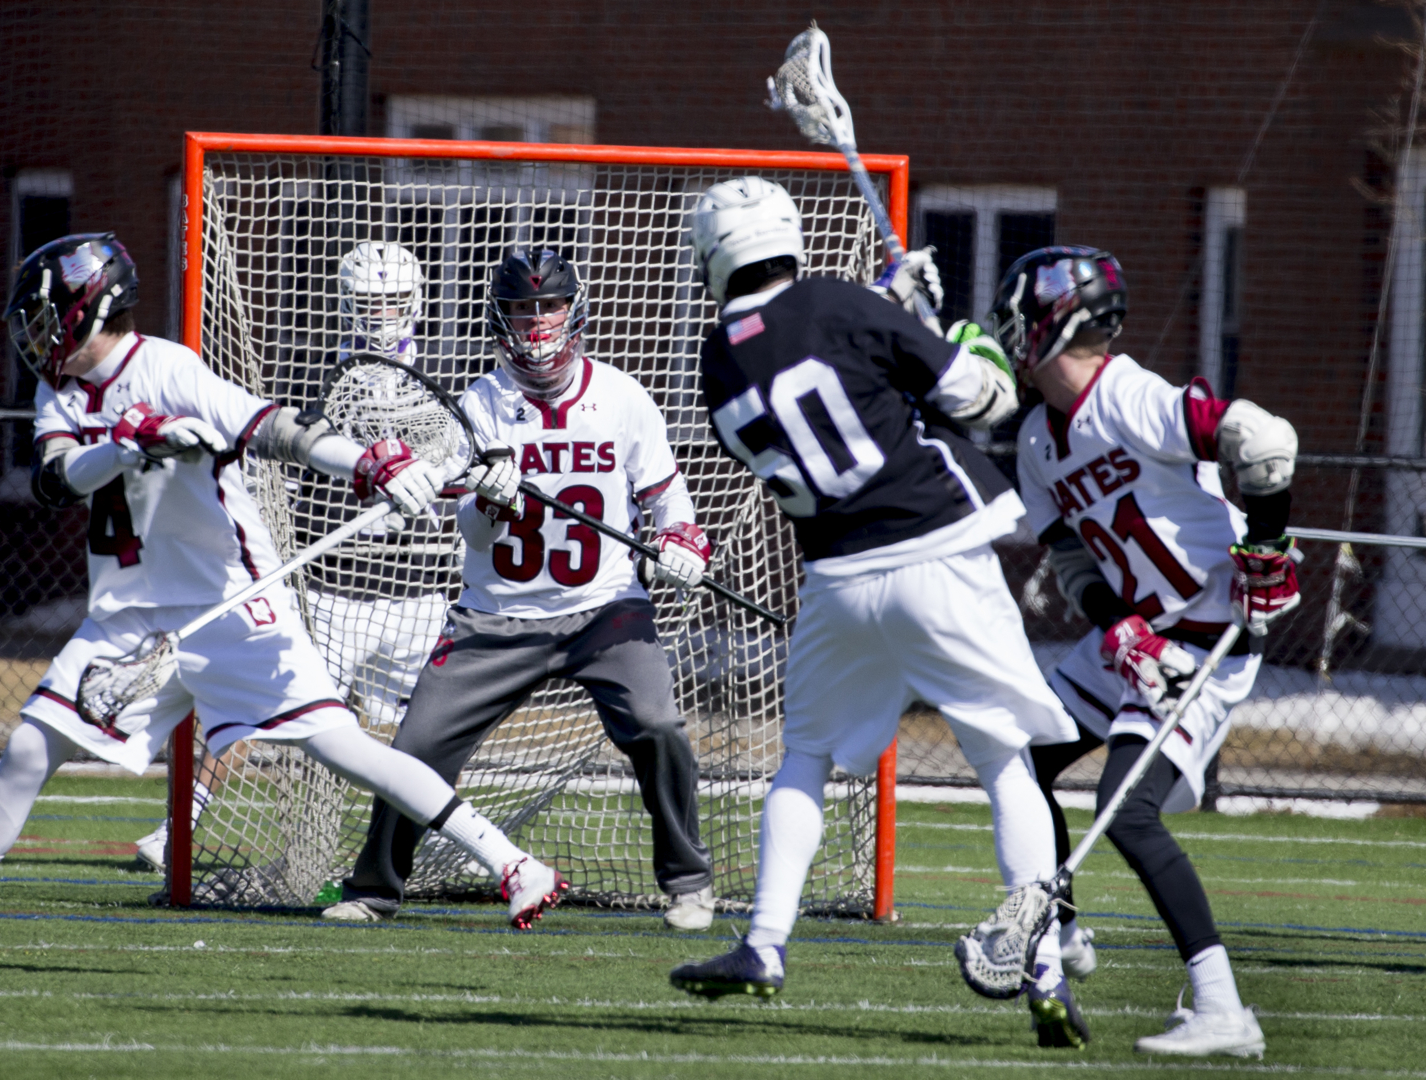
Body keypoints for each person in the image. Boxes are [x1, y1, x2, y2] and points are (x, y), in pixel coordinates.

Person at [0, 233, 565, 975]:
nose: (36, 335)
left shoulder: (168, 367)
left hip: (230, 603)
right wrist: (129, 447)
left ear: (92, 309)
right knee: (30, 746)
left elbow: (275, 428)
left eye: (46, 317)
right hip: (132, 614)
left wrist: (372, 466)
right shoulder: (58, 391)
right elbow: (57, 478)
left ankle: (514, 865)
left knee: (341, 747)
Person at [668, 177, 1089, 1049]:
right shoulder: (836, 300)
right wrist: (942, 327)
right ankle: (1045, 968)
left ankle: (764, 945)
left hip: (835, 577)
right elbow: (982, 396)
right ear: (787, 237)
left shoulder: (716, 354)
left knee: (808, 757)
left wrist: (892, 318)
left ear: (715, 255)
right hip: (935, 551)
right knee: (1002, 757)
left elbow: (823, 367)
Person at [326, 247, 718, 932]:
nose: (536, 320)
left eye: (549, 305)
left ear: (574, 310)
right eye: (521, 307)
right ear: (499, 317)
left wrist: (682, 543)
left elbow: (667, 499)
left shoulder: (621, 396)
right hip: (496, 617)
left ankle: (688, 884)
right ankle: (375, 887)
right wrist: (487, 500)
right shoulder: (478, 407)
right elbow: (471, 536)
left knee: (658, 726)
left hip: (606, 611)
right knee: (416, 749)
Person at [1002, 246, 1295, 1058]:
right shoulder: (1035, 439)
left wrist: (1267, 547)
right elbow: (1069, 558)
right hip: (1135, 634)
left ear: (1050, 323)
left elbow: (1263, 440)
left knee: (1127, 814)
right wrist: (1115, 626)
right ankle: (1061, 939)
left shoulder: (1128, 396)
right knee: (1023, 759)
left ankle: (1223, 1008)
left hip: (1202, 636)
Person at [132, 240, 451, 875]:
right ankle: (183, 823)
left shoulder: (443, 375)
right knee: (265, 701)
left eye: (392, 302)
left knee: (442, 724)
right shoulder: (311, 376)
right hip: (332, 585)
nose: (382, 314)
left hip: (421, 585)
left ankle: (438, 835)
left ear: (415, 302)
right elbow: (275, 478)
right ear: (344, 303)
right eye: (368, 303)